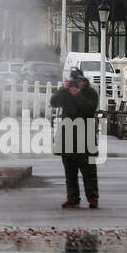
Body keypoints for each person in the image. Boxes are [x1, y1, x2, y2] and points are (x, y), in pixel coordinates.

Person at [51, 68, 100, 208]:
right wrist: (63, 89)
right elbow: (54, 102)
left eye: (78, 81)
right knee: (70, 172)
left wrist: (78, 94)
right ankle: (72, 197)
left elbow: (89, 108)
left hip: (85, 138)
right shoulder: (66, 92)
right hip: (67, 137)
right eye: (74, 81)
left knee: (89, 171)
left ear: (84, 81)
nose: (76, 84)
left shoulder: (90, 93)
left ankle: (92, 198)